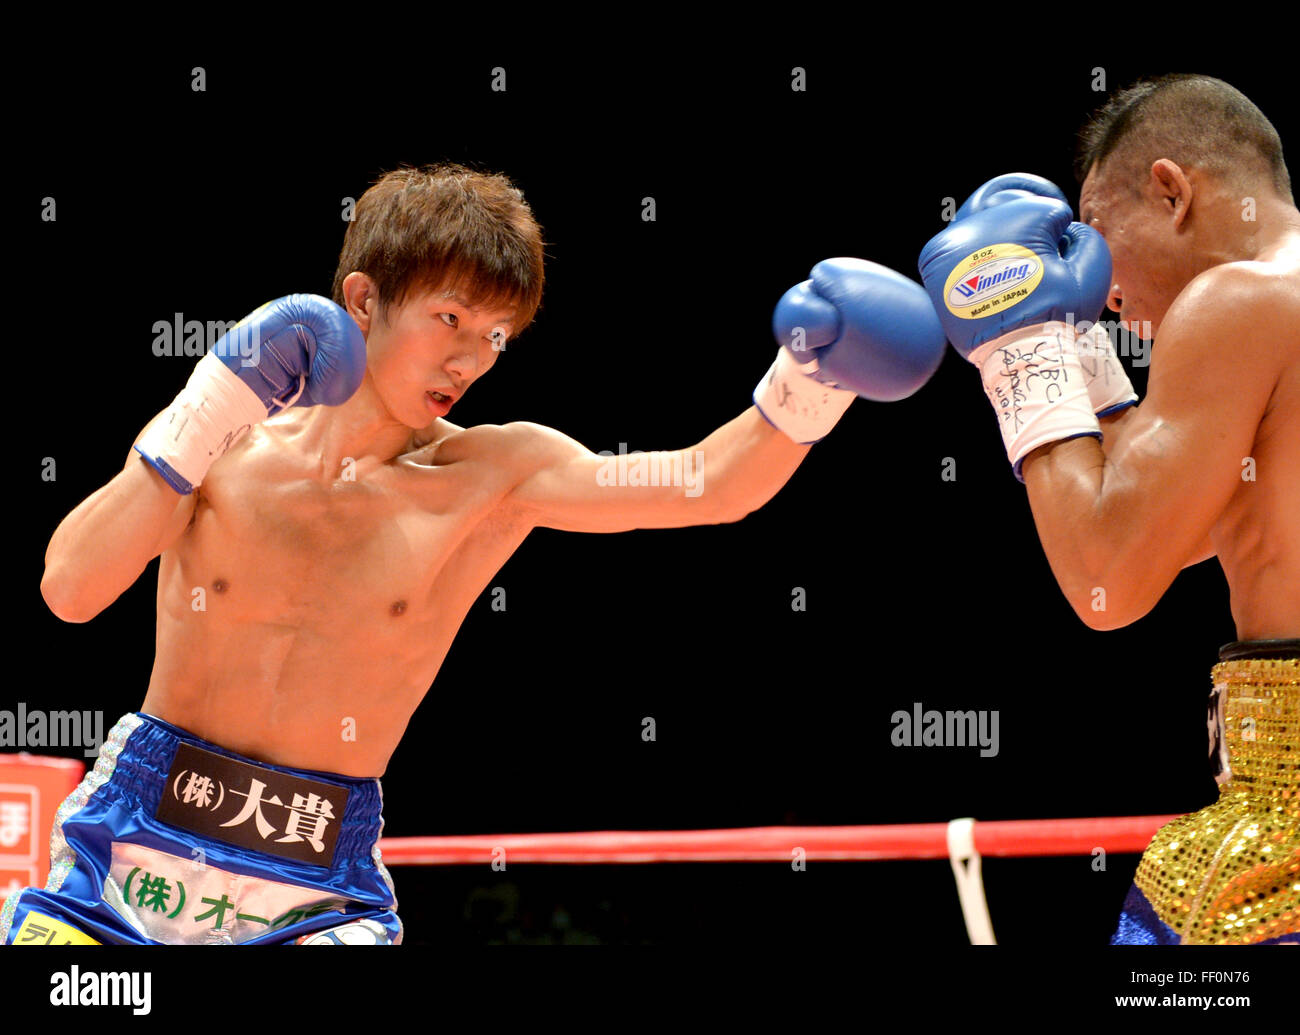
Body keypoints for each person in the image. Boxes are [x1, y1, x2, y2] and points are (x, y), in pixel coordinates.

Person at [3, 164, 945, 944]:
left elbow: (710, 480)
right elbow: (71, 588)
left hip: (310, 874)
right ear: (363, 299)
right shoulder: (230, 440)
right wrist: (205, 407)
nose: (470, 359)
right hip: (130, 840)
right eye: (449, 319)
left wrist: (814, 379)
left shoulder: (493, 474)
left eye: (495, 336)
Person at [917, 75, 1299, 944]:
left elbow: (1107, 577)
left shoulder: (1240, 298)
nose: (1104, 289)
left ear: (1172, 190)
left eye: (1098, 235)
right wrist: (1083, 351)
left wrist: (1022, 346)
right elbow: (1180, 523)